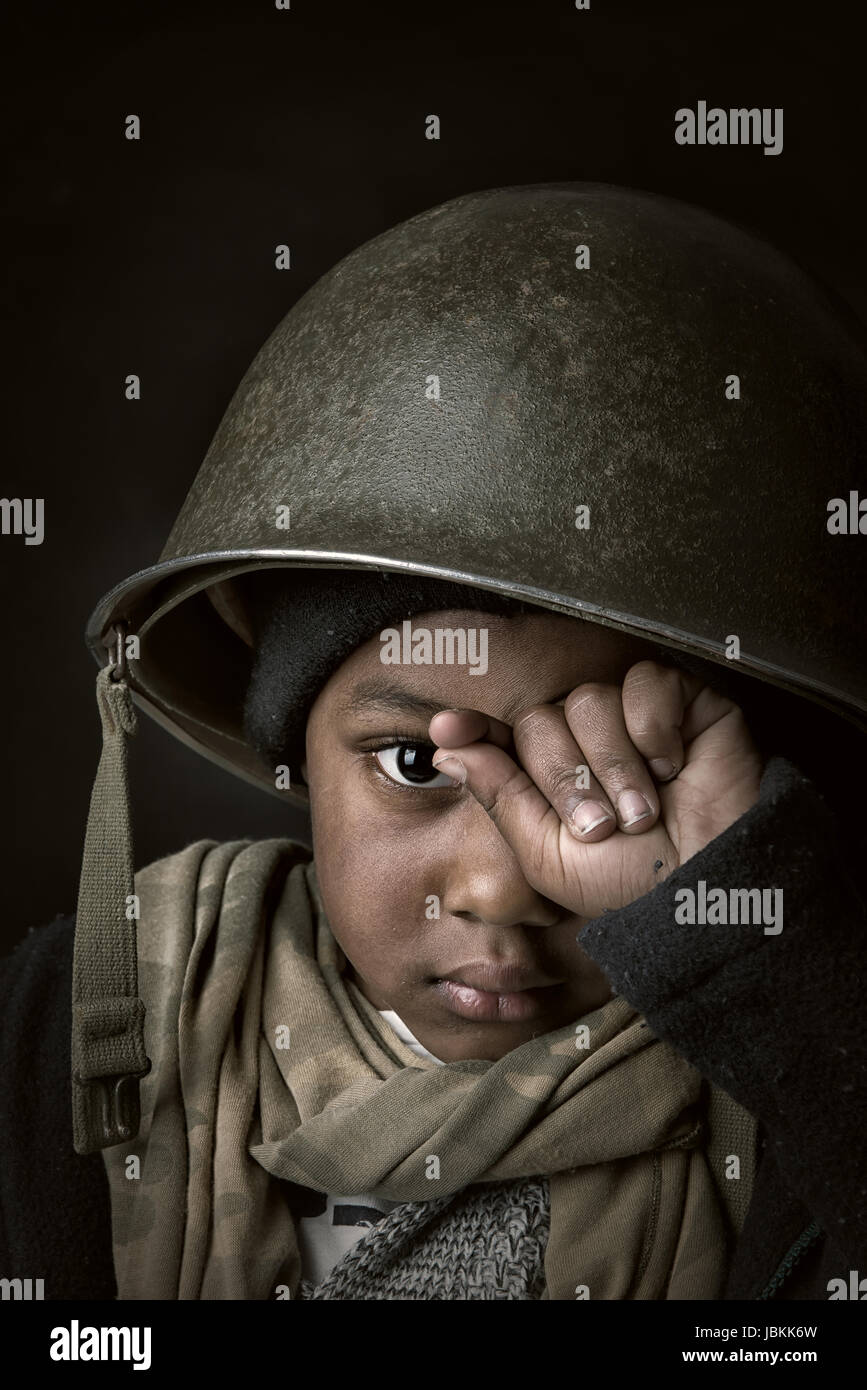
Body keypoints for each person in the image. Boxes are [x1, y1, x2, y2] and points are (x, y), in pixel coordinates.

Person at [1, 183, 865, 1300]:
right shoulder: (74, 1021)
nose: (504, 884)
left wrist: (744, 928)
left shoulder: (796, 1076)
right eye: (415, 764)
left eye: (623, 778)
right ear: (297, 754)